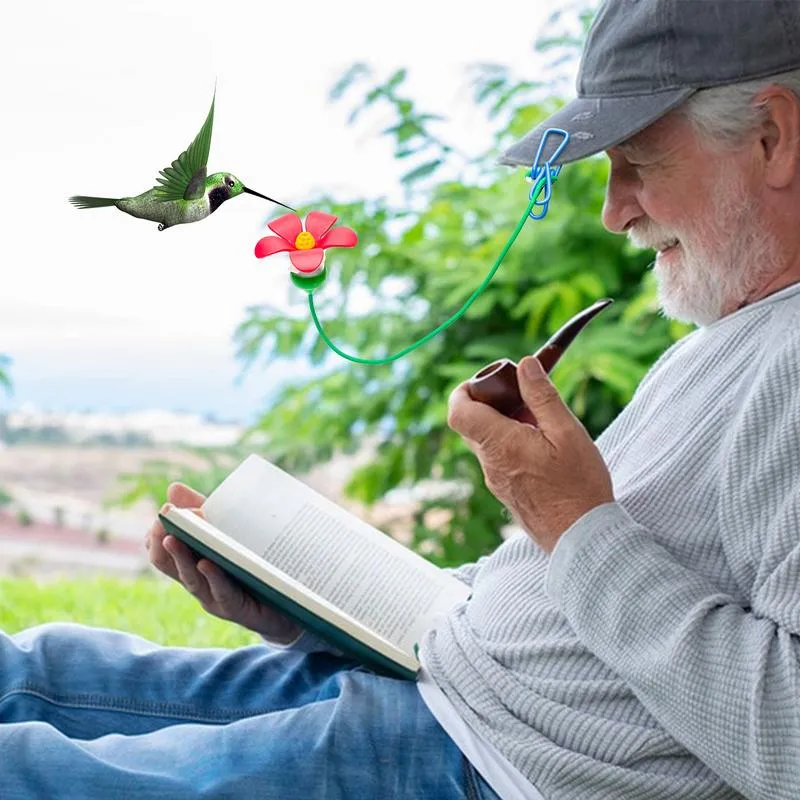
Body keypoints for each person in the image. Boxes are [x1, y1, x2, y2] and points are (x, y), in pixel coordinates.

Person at [3, 0, 800, 796]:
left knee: (32, 772)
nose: (613, 210)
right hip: (441, 686)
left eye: (638, 161)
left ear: (772, 138)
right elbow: (571, 600)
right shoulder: (732, 335)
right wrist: (308, 609)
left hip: (490, 764)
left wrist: (572, 519)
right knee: (43, 668)